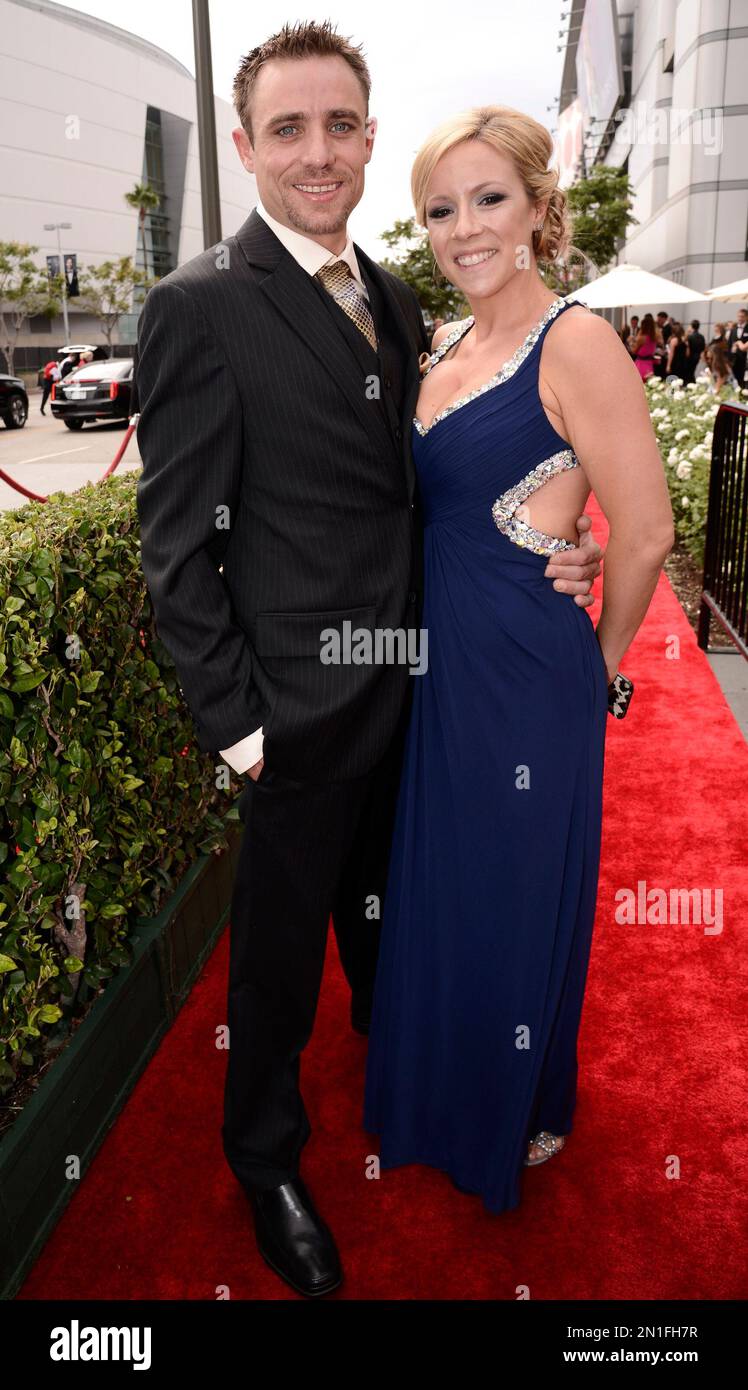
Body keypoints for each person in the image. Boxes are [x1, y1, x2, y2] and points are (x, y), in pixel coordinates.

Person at [134, 23, 603, 1298]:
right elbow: (175, 551)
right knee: (276, 961)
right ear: (243, 149)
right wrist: (241, 727)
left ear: (369, 134)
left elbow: (446, 482)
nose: (318, 151)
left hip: (429, 692)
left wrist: (562, 555)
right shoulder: (197, 309)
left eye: (340, 124)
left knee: (392, 923)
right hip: (293, 715)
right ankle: (264, 1159)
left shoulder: (395, 298)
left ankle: (415, 1063)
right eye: (287, 128)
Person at [363, 103, 674, 1213]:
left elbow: (642, 530)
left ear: (541, 209)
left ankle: (518, 1098)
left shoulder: (575, 338)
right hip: (436, 658)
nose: (464, 228)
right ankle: (444, 1084)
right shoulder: (441, 342)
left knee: (511, 884)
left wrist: (592, 663)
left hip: (524, 669)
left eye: (490, 198)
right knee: (442, 878)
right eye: (440, 209)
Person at [630, 313, 660, 379]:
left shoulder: (642, 338)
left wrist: (631, 342)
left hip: (640, 363)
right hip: (649, 363)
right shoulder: (655, 337)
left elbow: (633, 351)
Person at [728, 307, 748, 389]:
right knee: (734, 380)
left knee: (743, 381)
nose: (740, 318)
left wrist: (740, 344)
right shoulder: (733, 329)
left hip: (745, 360)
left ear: (747, 317)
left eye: (742, 316)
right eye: (739, 316)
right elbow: (729, 344)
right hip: (734, 360)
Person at [684, 319, 706, 384]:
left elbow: (687, 347)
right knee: (692, 371)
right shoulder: (701, 337)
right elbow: (703, 347)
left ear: (691, 326)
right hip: (698, 357)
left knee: (689, 372)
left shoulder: (690, 337)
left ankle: (691, 384)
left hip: (690, 357)